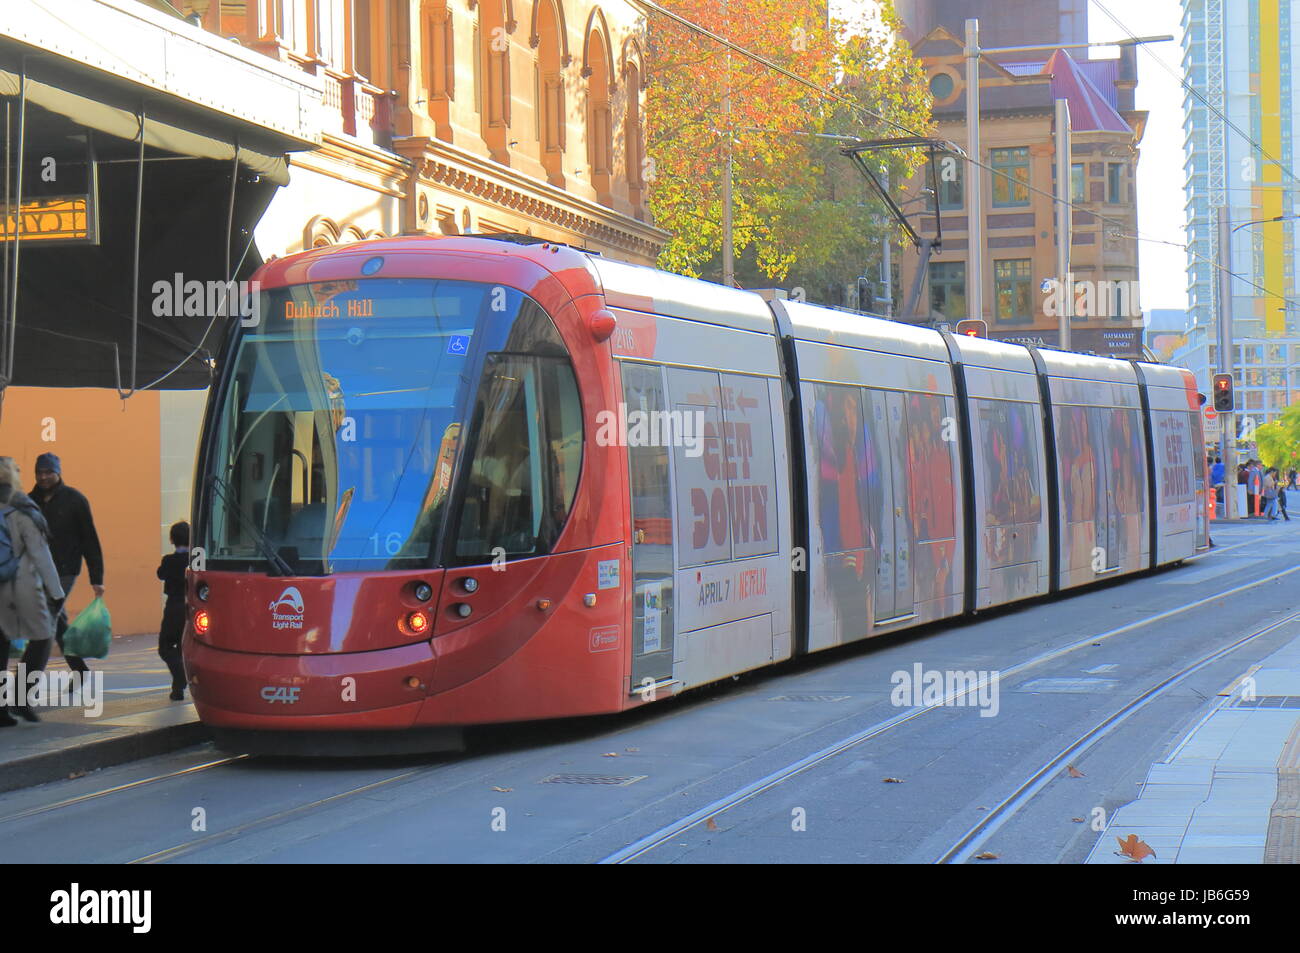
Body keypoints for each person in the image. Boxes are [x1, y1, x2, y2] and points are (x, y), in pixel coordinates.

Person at [0, 456, 65, 726]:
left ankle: (2, 710)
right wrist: (56, 592)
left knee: (1, 645)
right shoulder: (21, 506)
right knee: (43, 636)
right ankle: (20, 696)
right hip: (20, 587)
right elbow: (40, 555)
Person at [26, 453, 103, 677]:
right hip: (35, 571)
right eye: (39, 472)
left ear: (58, 473)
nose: (43, 477)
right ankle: (79, 669)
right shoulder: (29, 501)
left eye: (48, 472)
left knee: (45, 621)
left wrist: (96, 578)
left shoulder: (75, 500)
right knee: (57, 621)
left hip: (64, 571)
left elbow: (89, 539)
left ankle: (26, 682)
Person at [156, 521, 190, 701]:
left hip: (173, 607)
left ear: (171, 540)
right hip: (191, 607)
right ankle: (177, 687)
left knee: (166, 647)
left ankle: (179, 678)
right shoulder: (195, 561)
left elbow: (160, 574)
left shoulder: (169, 560)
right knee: (183, 646)